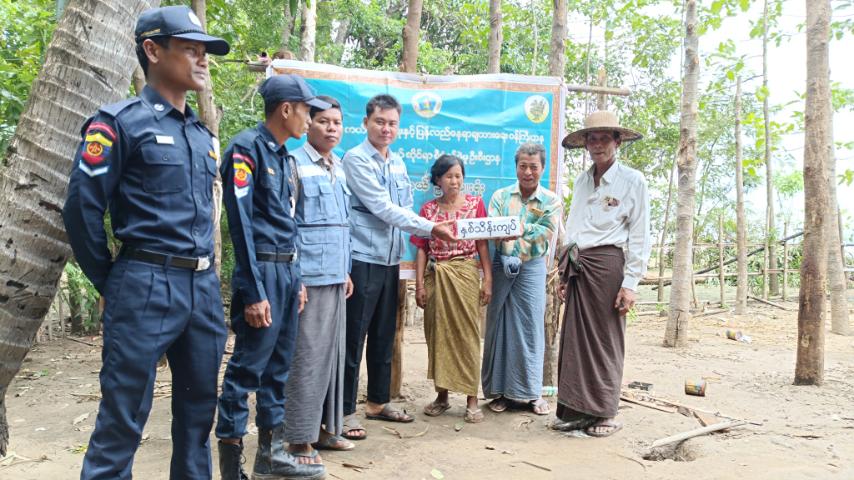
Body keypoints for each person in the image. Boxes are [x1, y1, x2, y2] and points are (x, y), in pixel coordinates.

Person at [62, 6, 230, 479]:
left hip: (201, 290)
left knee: (198, 419)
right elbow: (81, 210)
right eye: (190, 49)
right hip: (144, 284)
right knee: (123, 419)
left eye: (206, 51)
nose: (202, 60)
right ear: (153, 51)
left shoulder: (202, 136)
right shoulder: (119, 123)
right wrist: (113, 281)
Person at [215, 75, 328, 480]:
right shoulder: (246, 149)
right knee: (247, 368)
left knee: (278, 367)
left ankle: (271, 453)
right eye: (306, 111)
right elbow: (241, 226)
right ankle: (231, 464)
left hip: (286, 271)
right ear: (286, 109)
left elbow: (289, 225)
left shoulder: (285, 158)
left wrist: (296, 280)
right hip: (261, 270)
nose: (309, 119)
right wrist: (253, 291)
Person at [341, 94, 456, 440]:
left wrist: (417, 234)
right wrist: (430, 227)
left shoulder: (399, 164)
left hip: (391, 261)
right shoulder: (355, 159)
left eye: (392, 123)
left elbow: (404, 207)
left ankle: (378, 402)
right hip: (362, 259)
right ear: (366, 123)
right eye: (380, 122)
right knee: (352, 338)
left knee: (383, 333)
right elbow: (383, 208)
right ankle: (346, 411)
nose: (386, 129)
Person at [554, 110, 650, 437]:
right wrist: (565, 275)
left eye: (604, 138)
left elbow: (639, 235)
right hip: (580, 267)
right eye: (591, 139)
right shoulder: (582, 181)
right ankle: (578, 411)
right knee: (575, 343)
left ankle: (606, 413)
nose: (597, 145)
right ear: (585, 145)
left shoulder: (632, 181)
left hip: (609, 267)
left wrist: (631, 283)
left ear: (617, 141)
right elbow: (576, 229)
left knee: (606, 341)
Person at [284, 96, 355, 463]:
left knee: (332, 358)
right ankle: (298, 439)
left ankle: (327, 430)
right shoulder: (294, 164)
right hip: (308, 279)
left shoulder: (339, 167)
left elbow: (343, 224)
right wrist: (295, 279)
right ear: (308, 124)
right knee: (307, 358)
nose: (331, 128)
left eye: (337, 123)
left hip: (334, 277)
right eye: (324, 121)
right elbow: (288, 226)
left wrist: (345, 270)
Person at [481, 143, 562, 417]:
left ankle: (531, 394)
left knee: (530, 328)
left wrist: (514, 227)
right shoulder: (501, 196)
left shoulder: (551, 200)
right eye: (522, 166)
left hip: (531, 268)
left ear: (542, 168)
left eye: (533, 167)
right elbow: (493, 227)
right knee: (498, 326)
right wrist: (507, 230)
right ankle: (499, 392)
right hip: (501, 264)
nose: (527, 172)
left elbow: (545, 233)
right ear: (516, 167)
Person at [413, 155, 492, 424]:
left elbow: (482, 244)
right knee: (438, 334)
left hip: (465, 274)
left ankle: (472, 398)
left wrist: (488, 280)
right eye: (448, 176)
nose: (454, 181)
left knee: (468, 334)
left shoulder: (474, 205)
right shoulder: (428, 212)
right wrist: (420, 285)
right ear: (438, 180)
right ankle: (442, 396)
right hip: (437, 275)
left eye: (458, 175)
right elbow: (421, 249)